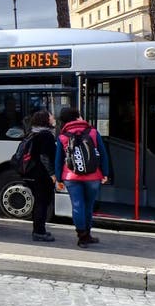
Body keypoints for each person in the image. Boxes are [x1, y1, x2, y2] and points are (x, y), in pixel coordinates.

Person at [55, 106, 110, 248]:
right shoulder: (92, 132)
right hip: (93, 176)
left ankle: (82, 236)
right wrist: (105, 173)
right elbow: (103, 154)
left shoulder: (62, 136)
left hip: (71, 177)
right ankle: (88, 234)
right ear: (78, 117)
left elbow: (58, 160)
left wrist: (59, 179)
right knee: (89, 205)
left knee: (77, 205)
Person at [24, 110, 57, 242]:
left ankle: (39, 229)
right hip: (42, 175)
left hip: (35, 173)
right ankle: (39, 232)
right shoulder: (46, 135)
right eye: (50, 116)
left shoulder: (34, 133)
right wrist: (52, 174)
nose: (53, 118)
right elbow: (44, 157)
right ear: (45, 120)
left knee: (40, 202)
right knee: (42, 203)